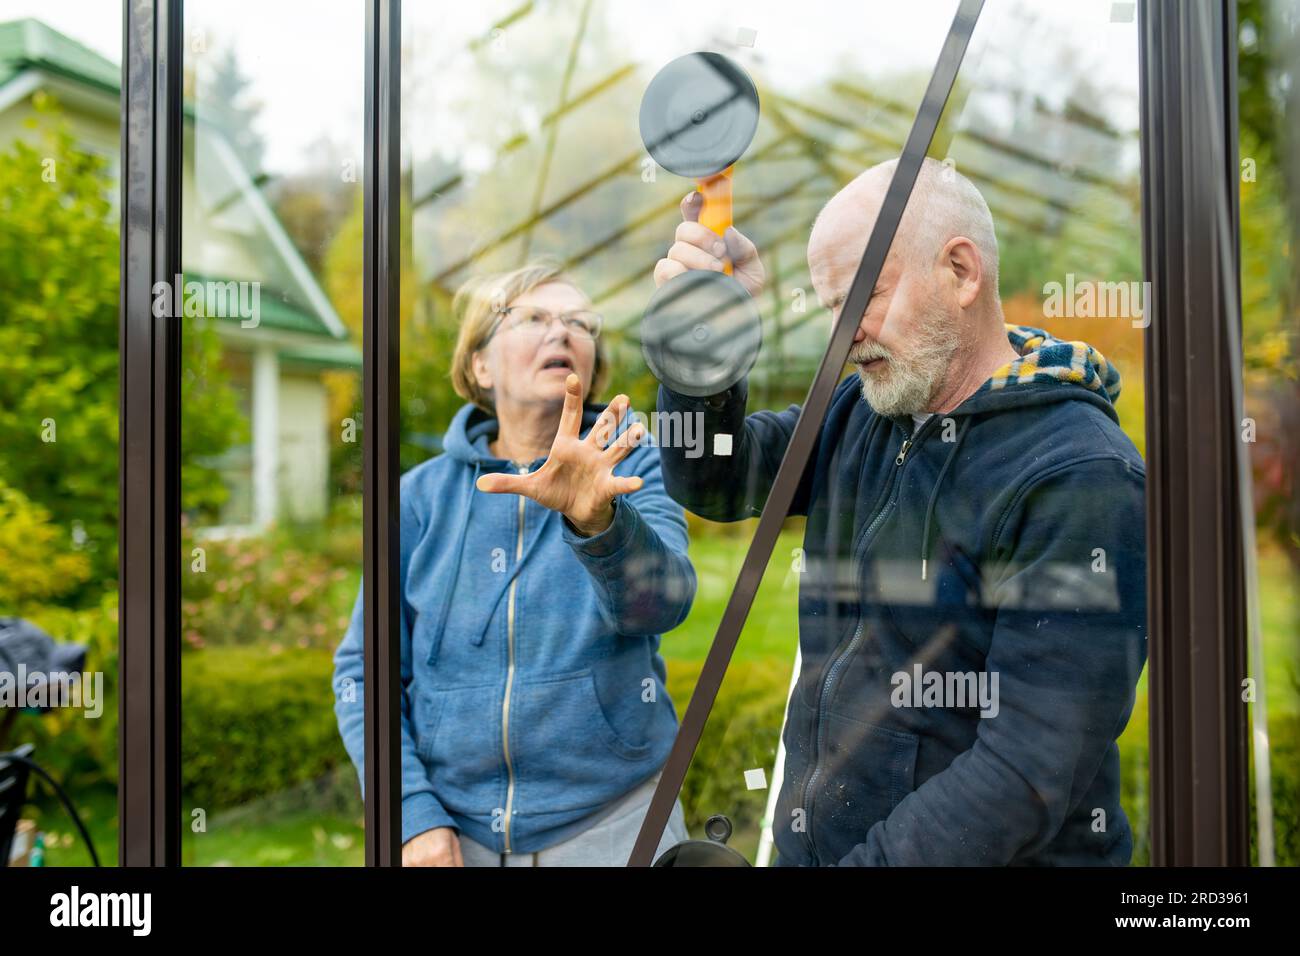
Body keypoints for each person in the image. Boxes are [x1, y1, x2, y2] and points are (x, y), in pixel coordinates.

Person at [652, 157, 1147, 866]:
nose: (844, 333)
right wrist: (707, 341)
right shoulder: (866, 410)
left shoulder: (1082, 475)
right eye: (831, 310)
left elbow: (1025, 770)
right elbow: (717, 477)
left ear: (961, 271)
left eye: (863, 298)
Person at [333, 261, 695, 866]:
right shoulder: (418, 499)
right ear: (480, 365)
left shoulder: (633, 461)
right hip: (454, 836)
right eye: (533, 318)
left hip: (615, 821)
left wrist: (601, 524)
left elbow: (663, 603)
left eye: (580, 322)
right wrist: (410, 812)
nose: (563, 332)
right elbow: (363, 673)